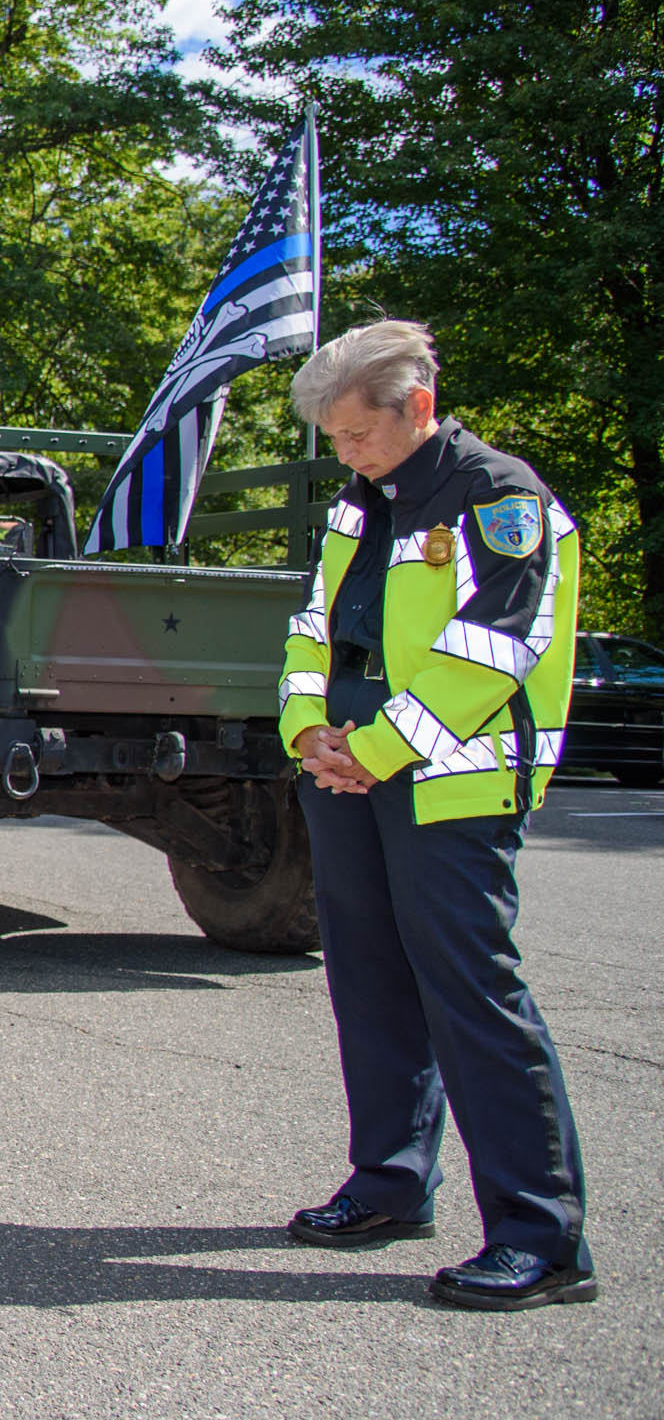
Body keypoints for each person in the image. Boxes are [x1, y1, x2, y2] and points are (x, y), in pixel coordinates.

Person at [277, 319, 595, 1312]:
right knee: (369, 983)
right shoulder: (357, 503)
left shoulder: (502, 499)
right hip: (351, 767)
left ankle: (543, 1239)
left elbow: (489, 651)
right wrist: (304, 730)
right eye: (334, 441)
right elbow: (311, 623)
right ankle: (390, 1183)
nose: (346, 456)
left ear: (414, 408)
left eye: (357, 438)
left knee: (472, 995)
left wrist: (369, 751)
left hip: (453, 777)